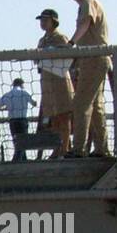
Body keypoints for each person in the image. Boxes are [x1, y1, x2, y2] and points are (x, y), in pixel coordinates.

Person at [65, 0, 112, 158]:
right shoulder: (88, 3)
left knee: (81, 104)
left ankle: (79, 149)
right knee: (96, 105)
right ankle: (101, 148)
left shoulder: (88, 2)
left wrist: (71, 44)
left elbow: (85, 24)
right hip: (95, 58)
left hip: (93, 58)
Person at [35, 9, 74, 158]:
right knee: (54, 119)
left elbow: (69, 58)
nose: (43, 23)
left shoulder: (61, 38)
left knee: (63, 116)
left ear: (54, 21)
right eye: (41, 20)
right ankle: (59, 147)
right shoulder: (42, 40)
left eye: (46, 20)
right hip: (46, 83)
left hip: (60, 81)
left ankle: (64, 149)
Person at [0, 78, 37, 162]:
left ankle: (22, 159)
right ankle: (17, 160)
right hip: (22, 120)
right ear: (22, 84)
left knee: (16, 141)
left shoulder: (7, 95)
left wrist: (5, 109)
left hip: (12, 121)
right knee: (23, 142)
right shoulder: (24, 93)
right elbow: (34, 103)